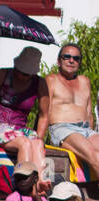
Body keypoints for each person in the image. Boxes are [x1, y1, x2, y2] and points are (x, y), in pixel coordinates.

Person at [0, 47, 50, 174]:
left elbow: (44, 115)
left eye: (26, 74)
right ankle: (24, 184)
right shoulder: (3, 74)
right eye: (19, 70)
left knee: (38, 144)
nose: (20, 75)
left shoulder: (39, 83)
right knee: (24, 143)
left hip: (19, 130)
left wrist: (39, 137)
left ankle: (41, 183)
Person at [44, 44, 99, 178]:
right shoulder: (51, 80)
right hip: (62, 129)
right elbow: (44, 112)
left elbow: (89, 113)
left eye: (76, 58)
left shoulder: (84, 81)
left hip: (86, 130)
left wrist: (90, 135)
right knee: (94, 155)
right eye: (67, 57)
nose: (71, 60)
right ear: (59, 61)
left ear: (79, 62)